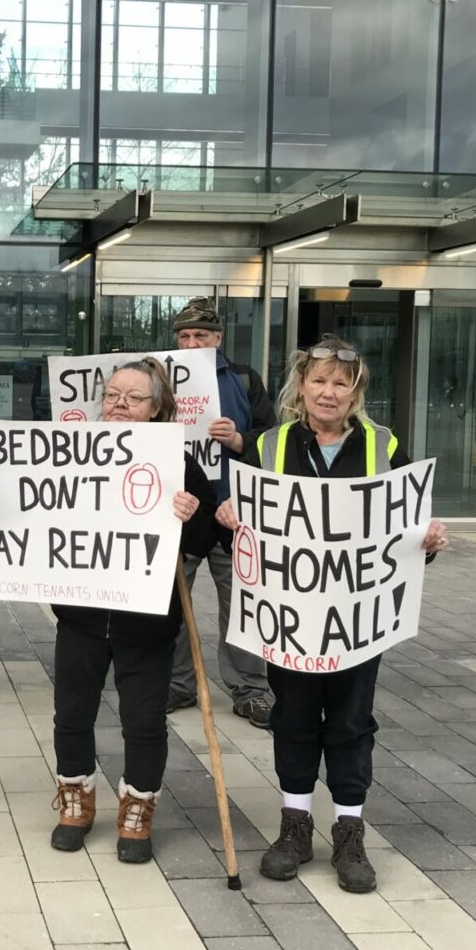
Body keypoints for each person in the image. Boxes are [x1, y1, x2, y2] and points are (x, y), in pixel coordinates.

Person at [217, 336, 448, 892]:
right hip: (291, 620)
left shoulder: (383, 446)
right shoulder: (268, 445)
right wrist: (229, 517)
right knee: (292, 719)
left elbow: (405, 528)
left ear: (355, 391)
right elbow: (247, 531)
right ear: (301, 387)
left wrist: (430, 538)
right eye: (318, 380)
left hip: (355, 624)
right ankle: (294, 826)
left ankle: (349, 830)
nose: (328, 392)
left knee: (350, 723)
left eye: (340, 383)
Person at [50, 358, 217, 864]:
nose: (120, 404)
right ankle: (75, 799)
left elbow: (209, 536)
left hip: (146, 619)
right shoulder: (68, 453)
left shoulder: (180, 463)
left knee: (144, 720)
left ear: (158, 410)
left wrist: (191, 517)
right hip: (80, 614)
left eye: (134, 398)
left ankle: (138, 806)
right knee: (72, 713)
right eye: (113, 395)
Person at [166, 298, 277, 728]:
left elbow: (272, 440)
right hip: (185, 509)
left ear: (219, 338)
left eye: (201, 335)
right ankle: (178, 685)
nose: (192, 342)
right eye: (185, 335)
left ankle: (250, 689)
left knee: (243, 606)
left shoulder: (245, 379)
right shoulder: (161, 378)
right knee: (174, 602)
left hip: (237, 511)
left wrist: (237, 441)